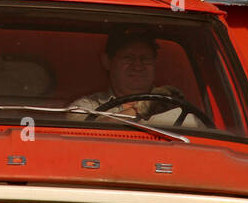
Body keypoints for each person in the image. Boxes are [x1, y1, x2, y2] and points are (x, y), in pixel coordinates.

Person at [68, 27, 210, 128]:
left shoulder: (180, 112)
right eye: (128, 58)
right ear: (107, 61)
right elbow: (82, 135)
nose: (137, 65)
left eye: (145, 58)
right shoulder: (86, 107)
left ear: (155, 63)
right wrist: (141, 109)